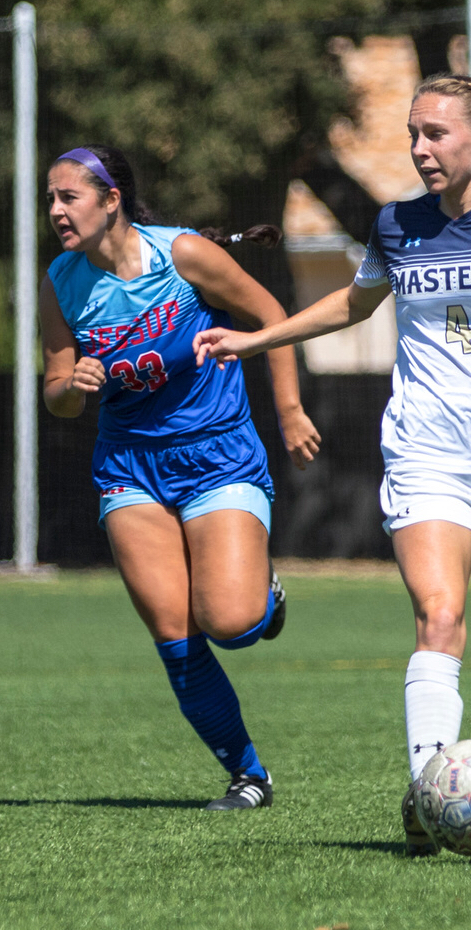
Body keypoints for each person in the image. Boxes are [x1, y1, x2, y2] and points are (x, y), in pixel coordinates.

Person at [193, 74, 471, 854]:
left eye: (436, 133)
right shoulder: (397, 225)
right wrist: (257, 340)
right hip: (429, 447)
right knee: (440, 616)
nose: (420, 149)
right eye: (413, 133)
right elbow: (355, 303)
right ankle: (429, 794)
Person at [39, 145, 321, 811]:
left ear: (112, 201)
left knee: (230, 621)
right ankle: (248, 774)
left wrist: (288, 410)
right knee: (174, 635)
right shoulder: (60, 280)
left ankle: (265, 596)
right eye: (49, 199)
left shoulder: (183, 256)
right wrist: (70, 386)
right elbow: (55, 385)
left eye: (68, 197)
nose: (55, 210)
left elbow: (272, 317)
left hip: (218, 454)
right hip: (129, 467)